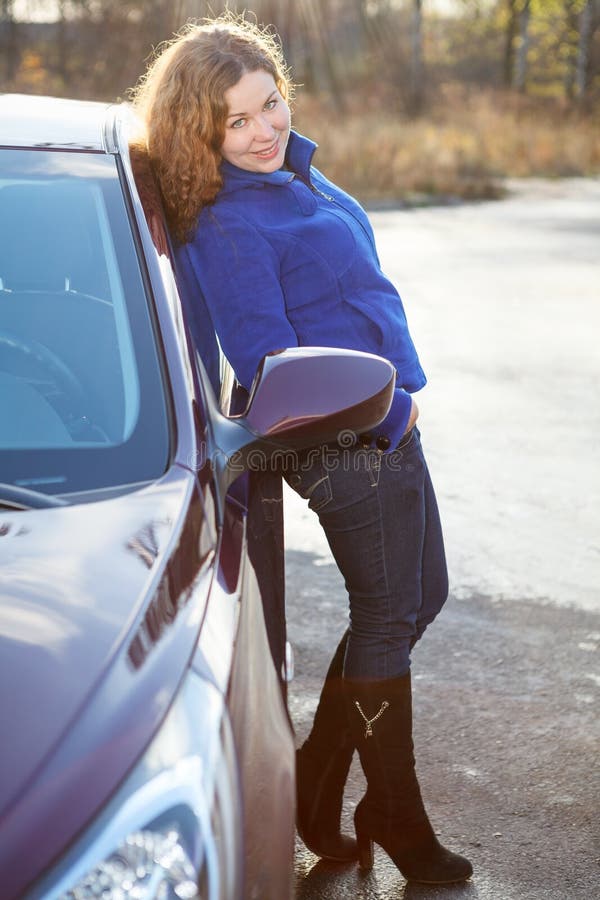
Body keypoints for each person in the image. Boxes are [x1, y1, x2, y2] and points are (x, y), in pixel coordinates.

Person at [131, 14, 473, 886]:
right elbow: (271, 365)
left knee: (413, 601)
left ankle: (318, 775)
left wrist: (399, 401)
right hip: (346, 441)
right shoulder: (231, 221)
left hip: (384, 421)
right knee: (391, 618)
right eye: (236, 122)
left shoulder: (296, 178)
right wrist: (382, 415)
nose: (262, 129)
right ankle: (393, 813)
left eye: (269, 103)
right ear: (201, 132)